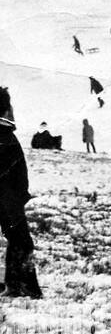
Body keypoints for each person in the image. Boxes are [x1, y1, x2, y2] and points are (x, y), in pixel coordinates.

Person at [1, 87, 41, 297]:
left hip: (9, 199)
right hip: (7, 201)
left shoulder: (5, 134)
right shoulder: (3, 135)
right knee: (23, 242)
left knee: (18, 241)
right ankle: (23, 287)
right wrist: (16, 197)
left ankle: (14, 285)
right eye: (9, 107)